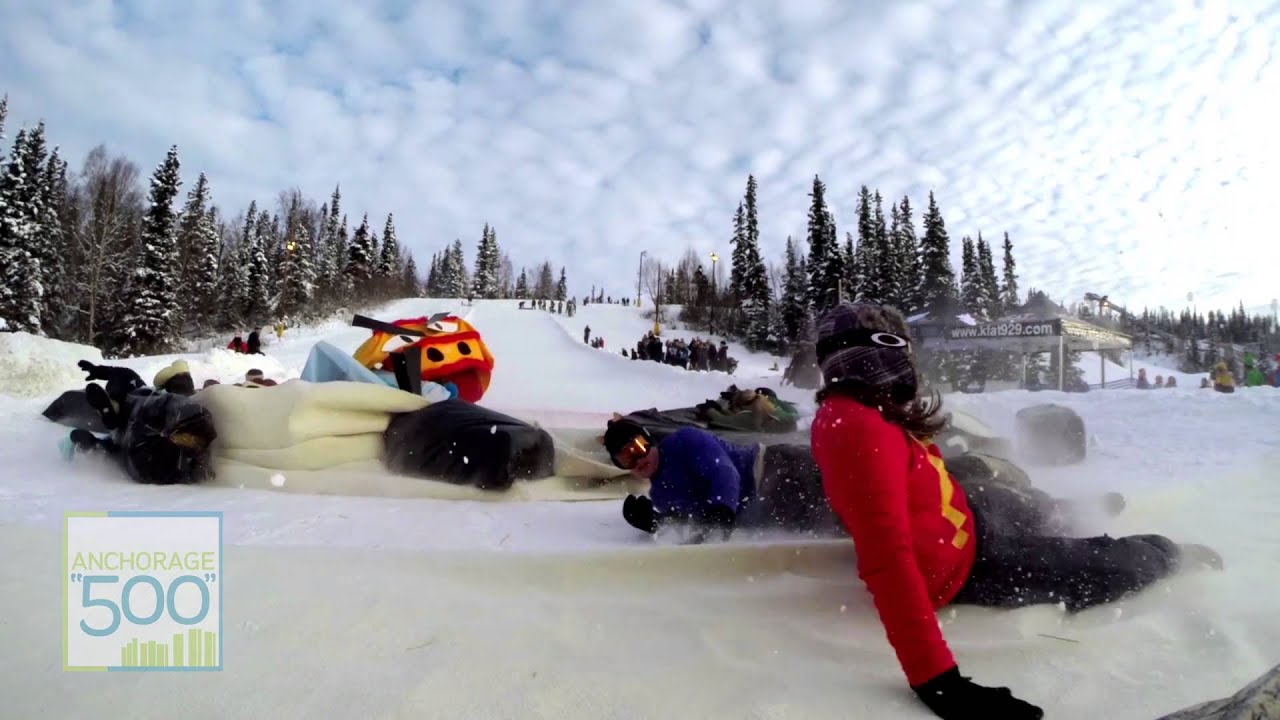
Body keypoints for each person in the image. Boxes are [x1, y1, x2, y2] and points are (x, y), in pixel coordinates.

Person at [809, 302, 1220, 720]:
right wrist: (938, 682)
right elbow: (887, 561)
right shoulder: (855, 428)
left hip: (967, 515)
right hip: (971, 564)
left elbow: (916, 471)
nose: (907, 363)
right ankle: (1163, 554)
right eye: (898, 348)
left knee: (1016, 497)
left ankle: (1062, 511)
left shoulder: (867, 411)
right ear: (870, 353)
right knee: (1107, 567)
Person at [604, 418, 837, 543]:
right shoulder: (661, 495)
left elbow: (724, 473)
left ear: (648, 439)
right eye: (626, 459)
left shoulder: (684, 441)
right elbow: (694, 521)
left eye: (638, 448)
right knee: (833, 525)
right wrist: (657, 521)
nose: (638, 460)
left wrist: (722, 510)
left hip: (773, 468)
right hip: (766, 506)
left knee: (849, 497)